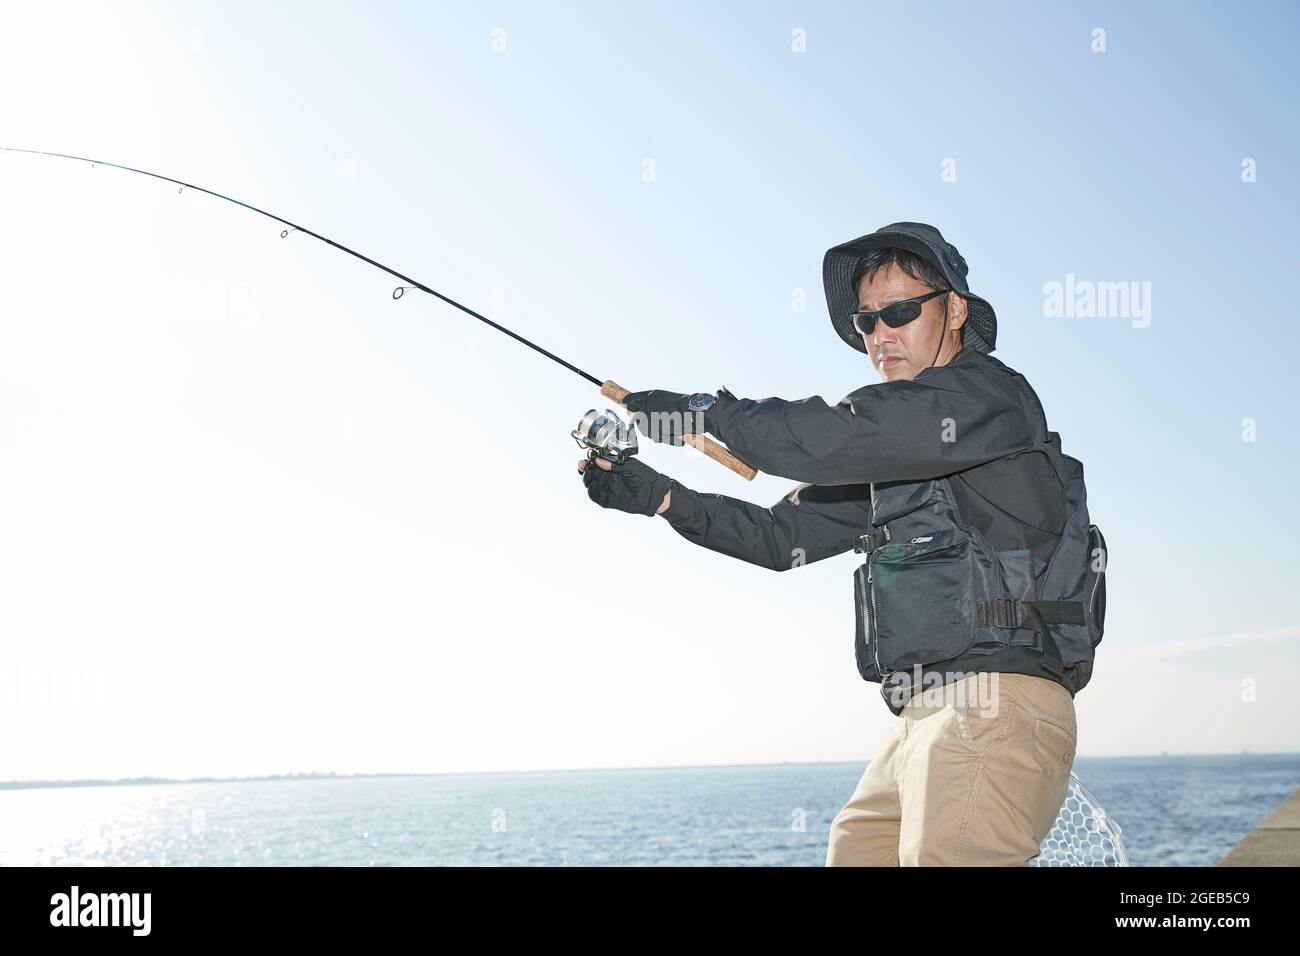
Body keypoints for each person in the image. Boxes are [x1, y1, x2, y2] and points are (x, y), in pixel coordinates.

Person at [577, 222, 1102, 866]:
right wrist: (657, 496)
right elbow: (778, 537)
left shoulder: (990, 397)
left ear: (956, 309)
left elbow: (833, 439)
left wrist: (704, 412)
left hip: (996, 700)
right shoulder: (902, 461)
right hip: (921, 715)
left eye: (900, 312)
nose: (881, 336)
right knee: (856, 846)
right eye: (866, 322)